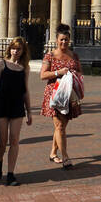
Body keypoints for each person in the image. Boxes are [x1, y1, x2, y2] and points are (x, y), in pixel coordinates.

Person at [0, 38, 32, 185]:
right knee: (2, 142)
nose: (15, 51)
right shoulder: (1, 64)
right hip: (1, 106)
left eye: (19, 49)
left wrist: (29, 111)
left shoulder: (25, 68)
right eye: (13, 48)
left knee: (14, 140)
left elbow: (25, 91)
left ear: (23, 51)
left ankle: (11, 173)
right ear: (9, 49)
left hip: (17, 107)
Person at [41, 24, 83, 168]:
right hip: (55, 94)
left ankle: (53, 152)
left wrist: (74, 76)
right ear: (56, 40)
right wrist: (59, 72)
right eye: (61, 40)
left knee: (61, 126)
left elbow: (80, 72)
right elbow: (43, 75)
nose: (64, 42)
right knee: (60, 126)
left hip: (69, 95)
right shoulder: (50, 55)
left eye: (66, 40)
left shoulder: (74, 55)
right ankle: (65, 157)